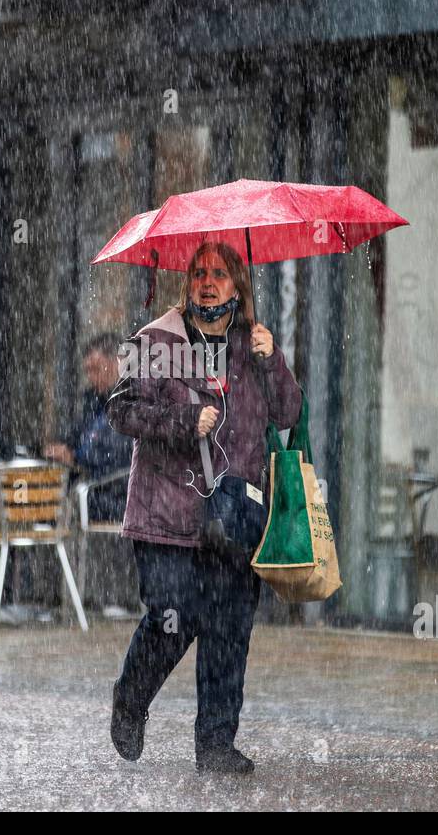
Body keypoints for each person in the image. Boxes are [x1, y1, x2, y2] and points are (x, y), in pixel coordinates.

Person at [106, 240, 302, 774]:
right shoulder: (157, 340)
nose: (207, 283)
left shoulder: (252, 346)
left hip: (234, 517)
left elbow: (288, 412)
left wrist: (272, 358)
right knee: (174, 617)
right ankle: (131, 697)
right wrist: (179, 424)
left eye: (219, 273)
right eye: (198, 274)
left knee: (230, 627)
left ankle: (216, 744)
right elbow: (119, 409)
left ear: (238, 283)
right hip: (168, 517)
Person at [44, 333, 136, 615]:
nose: (92, 377)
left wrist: (77, 458)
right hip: (89, 488)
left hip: (120, 494)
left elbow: (121, 454)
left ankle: (92, 596)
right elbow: (74, 436)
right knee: (41, 506)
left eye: (97, 369)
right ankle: (55, 596)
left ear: (117, 363)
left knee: (63, 507)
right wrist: (60, 449)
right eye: (88, 371)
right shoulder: (92, 402)